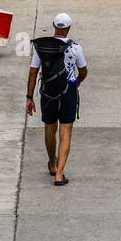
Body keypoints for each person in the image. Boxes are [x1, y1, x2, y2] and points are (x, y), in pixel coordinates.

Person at [26, 12, 88, 186]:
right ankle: (59, 175)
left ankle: (52, 164)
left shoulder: (42, 46)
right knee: (65, 132)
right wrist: (77, 82)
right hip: (68, 92)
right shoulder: (75, 47)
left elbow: (33, 72)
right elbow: (83, 71)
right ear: (68, 28)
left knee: (49, 129)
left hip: (48, 93)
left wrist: (29, 97)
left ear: (54, 25)